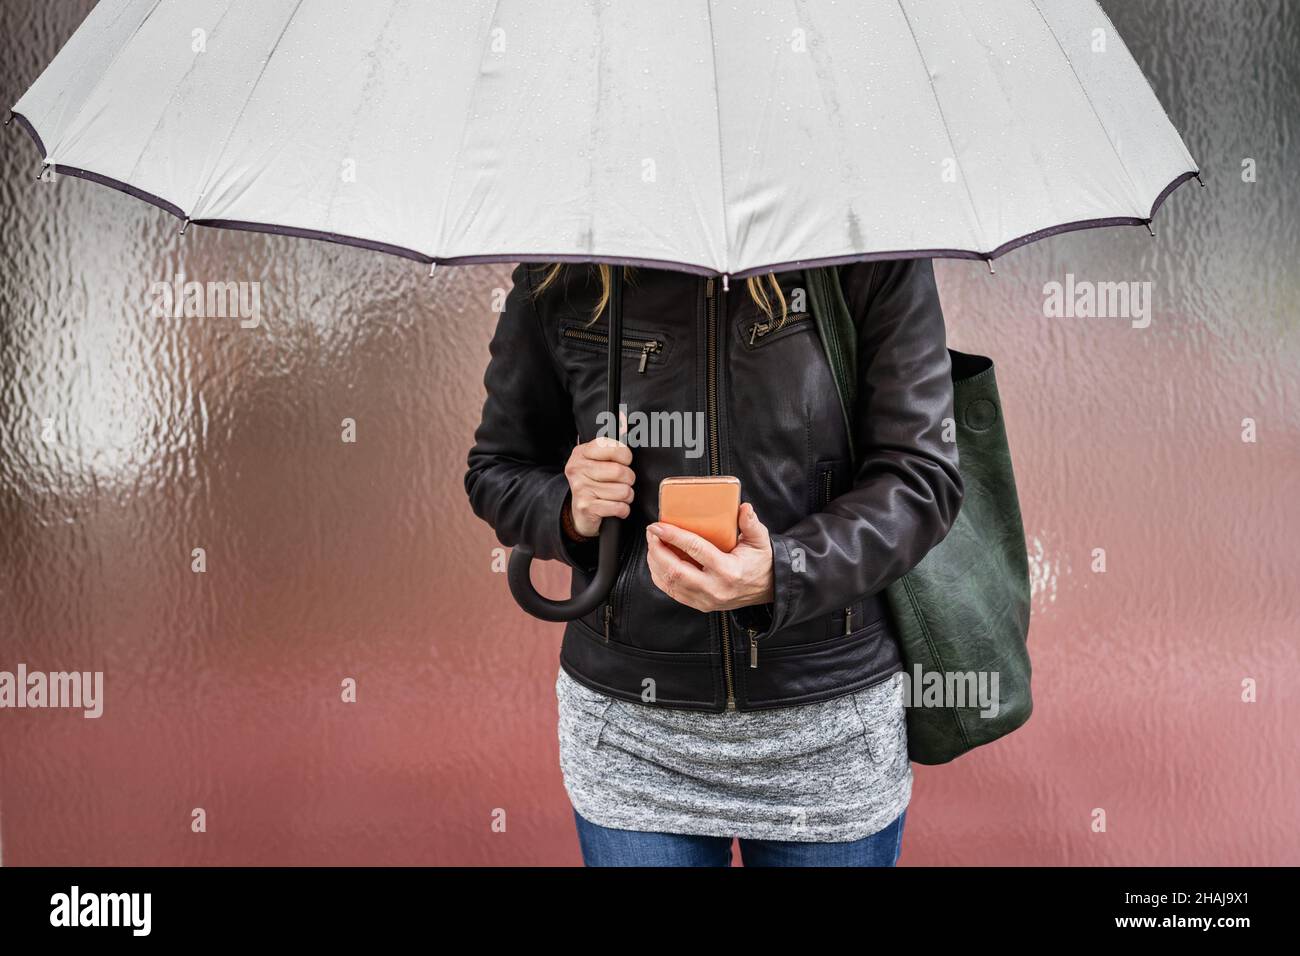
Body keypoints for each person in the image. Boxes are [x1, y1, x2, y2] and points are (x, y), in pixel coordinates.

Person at [465, 259, 962, 866]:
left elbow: (921, 476)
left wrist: (783, 572)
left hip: (829, 728)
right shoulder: (565, 270)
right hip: (633, 738)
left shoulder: (867, 258)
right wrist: (571, 508)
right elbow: (497, 471)